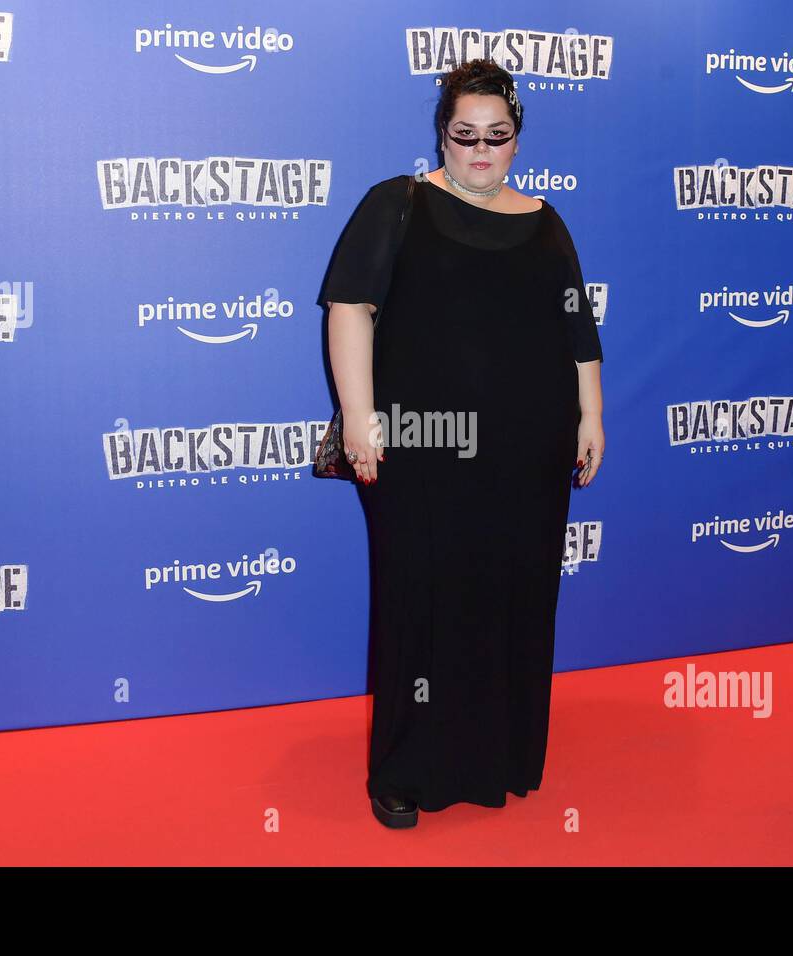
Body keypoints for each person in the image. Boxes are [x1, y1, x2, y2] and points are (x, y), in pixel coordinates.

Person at [318, 58, 604, 828]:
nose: (479, 152)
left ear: (518, 140)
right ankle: (404, 772)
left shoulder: (546, 222)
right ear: (441, 134)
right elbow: (349, 308)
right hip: (418, 446)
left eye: (496, 137)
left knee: (512, 595)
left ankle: (501, 754)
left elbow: (578, 329)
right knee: (421, 598)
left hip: (528, 452)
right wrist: (358, 417)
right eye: (464, 136)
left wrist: (592, 416)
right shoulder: (397, 204)